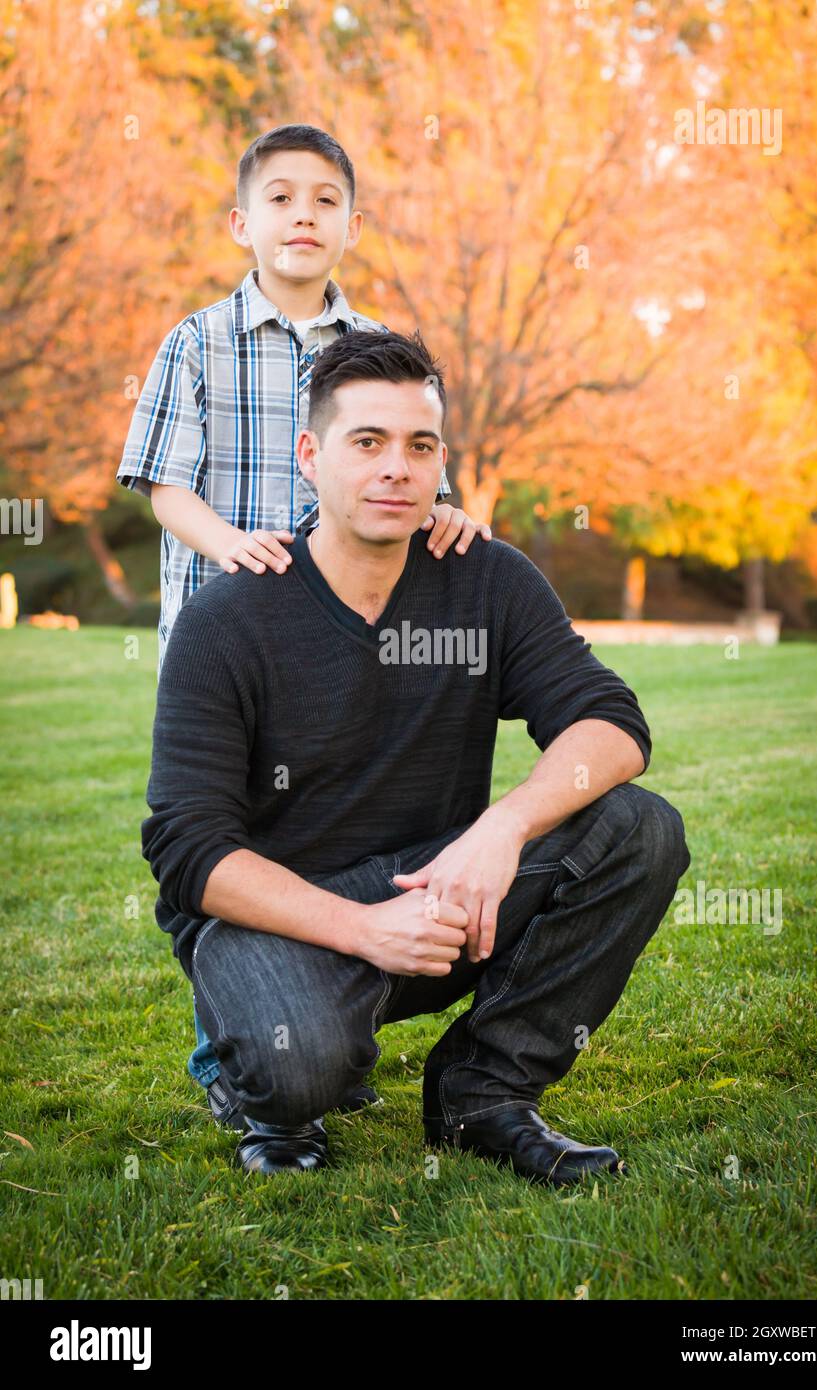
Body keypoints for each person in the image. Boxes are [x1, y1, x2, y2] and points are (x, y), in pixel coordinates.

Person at [141, 329, 691, 1186]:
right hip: (284, 921)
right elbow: (186, 849)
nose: (397, 467)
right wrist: (363, 929)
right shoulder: (231, 618)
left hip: (438, 896)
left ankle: (483, 1094)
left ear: (441, 461)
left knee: (638, 830)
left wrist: (502, 830)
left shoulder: (488, 581)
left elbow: (611, 724)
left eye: (420, 445)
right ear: (311, 454)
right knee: (300, 1072)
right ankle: (256, 1075)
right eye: (368, 442)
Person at [117, 125, 490, 1113]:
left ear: (350, 226)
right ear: (242, 223)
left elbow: (417, 477)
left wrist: (446, 513)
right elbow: (160, 484)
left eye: (324, 200)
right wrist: (226, 541)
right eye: (280, 199)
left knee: (324, 840)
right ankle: (238, 1063)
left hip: (340, 652)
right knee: (232, 848)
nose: (302, 217)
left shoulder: (375, 349)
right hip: (228, 640)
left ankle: (323, 1027)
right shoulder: (195, 340)